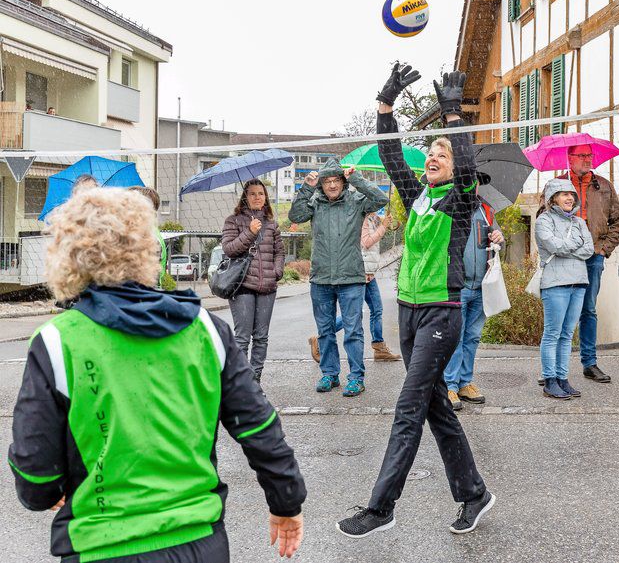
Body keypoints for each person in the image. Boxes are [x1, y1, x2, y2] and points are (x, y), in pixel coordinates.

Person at [9, 188, 306, 562]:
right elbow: (258, 427)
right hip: (200, 543)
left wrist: (48, 490)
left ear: (67, 255)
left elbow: (34, 473)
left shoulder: (57, 341)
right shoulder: (205, 328)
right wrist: (286, 501)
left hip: (103, 547)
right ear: (148, 247)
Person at [336, 66, 493, 538]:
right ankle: (474, 494)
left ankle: (382, 507)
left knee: (408, 407)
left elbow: (465, 160)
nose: (433, 157)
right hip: (408, 310)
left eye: (440, 152)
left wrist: (452, 115)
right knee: (434, 410)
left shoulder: (462, 198)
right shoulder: (418, 195)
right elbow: (389, 153)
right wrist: (385, 104)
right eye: (430, 152)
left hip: (442, 313)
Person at [289, 159, 387, 397]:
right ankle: (330, 374)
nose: (332, 185)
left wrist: (356, 179)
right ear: (321, 184)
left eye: (336, 181)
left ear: (343, 182)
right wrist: (307, 187)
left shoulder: (356, 201)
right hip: (321, 278)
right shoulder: (315, 203)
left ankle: (356, 378)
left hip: (351, 277)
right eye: (327, 181)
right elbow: (295, 214)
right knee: (325, 330)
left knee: (353, 330)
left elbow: (380, 199)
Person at [556, 145, 619, 384]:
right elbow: (543, 218)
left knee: (589, 310)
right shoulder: (558, 185)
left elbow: (617, 220)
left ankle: (589, 363)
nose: (587, 160)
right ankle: (553, 368)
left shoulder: (604, 185)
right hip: (565, 257)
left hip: (593, 256)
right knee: (560, 311)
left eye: (589, 155)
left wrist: (604, 250)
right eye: (582, 155)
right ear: (570, 158)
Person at [221, 179, 285, 384]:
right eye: (252, 194)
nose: (257, 197)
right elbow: (229, 249)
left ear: (265, 197)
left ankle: (255, 381)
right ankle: (241, 384)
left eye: (261, 193)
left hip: (267, 286)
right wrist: (250, 232)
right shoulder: (233, 221)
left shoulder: (272, 224)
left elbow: (279, 252)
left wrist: (277, 272)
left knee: (261, 337)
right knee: (242, 337)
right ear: (245, 197)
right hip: (242, 287)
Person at [445, 192, 504, 410]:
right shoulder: (448, 207)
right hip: (457, 285)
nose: (472, 183)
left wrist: (499, 238)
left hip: (482, 286)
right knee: (455, 339)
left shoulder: (486, 211)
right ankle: (449, 385)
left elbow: (499, 240)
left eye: (476, 179)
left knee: (472, 337)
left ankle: (464, 382)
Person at [535, 178, 593, 399]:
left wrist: (568, 249)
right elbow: (554, 246)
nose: (570, 198)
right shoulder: (544, 221)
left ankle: (562, 378)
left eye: (572, 194)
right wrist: (573, 247)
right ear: (553, 199)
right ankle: (550, 380)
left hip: (579, 282)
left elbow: (589, 249)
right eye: (563, 194)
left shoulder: (579, 223)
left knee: (568, 334)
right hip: (555, 283)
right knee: (552, 333)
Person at [330, 212, 401, 362]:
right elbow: (366, 242)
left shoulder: (373, 217)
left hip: (369, 273)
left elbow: (378, 231)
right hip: (361, 272)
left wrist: (389, 224)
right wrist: (383, 226)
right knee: (353, 314)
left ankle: (379, 347)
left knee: (377, 309)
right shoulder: (362, 218)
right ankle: (322, 337)